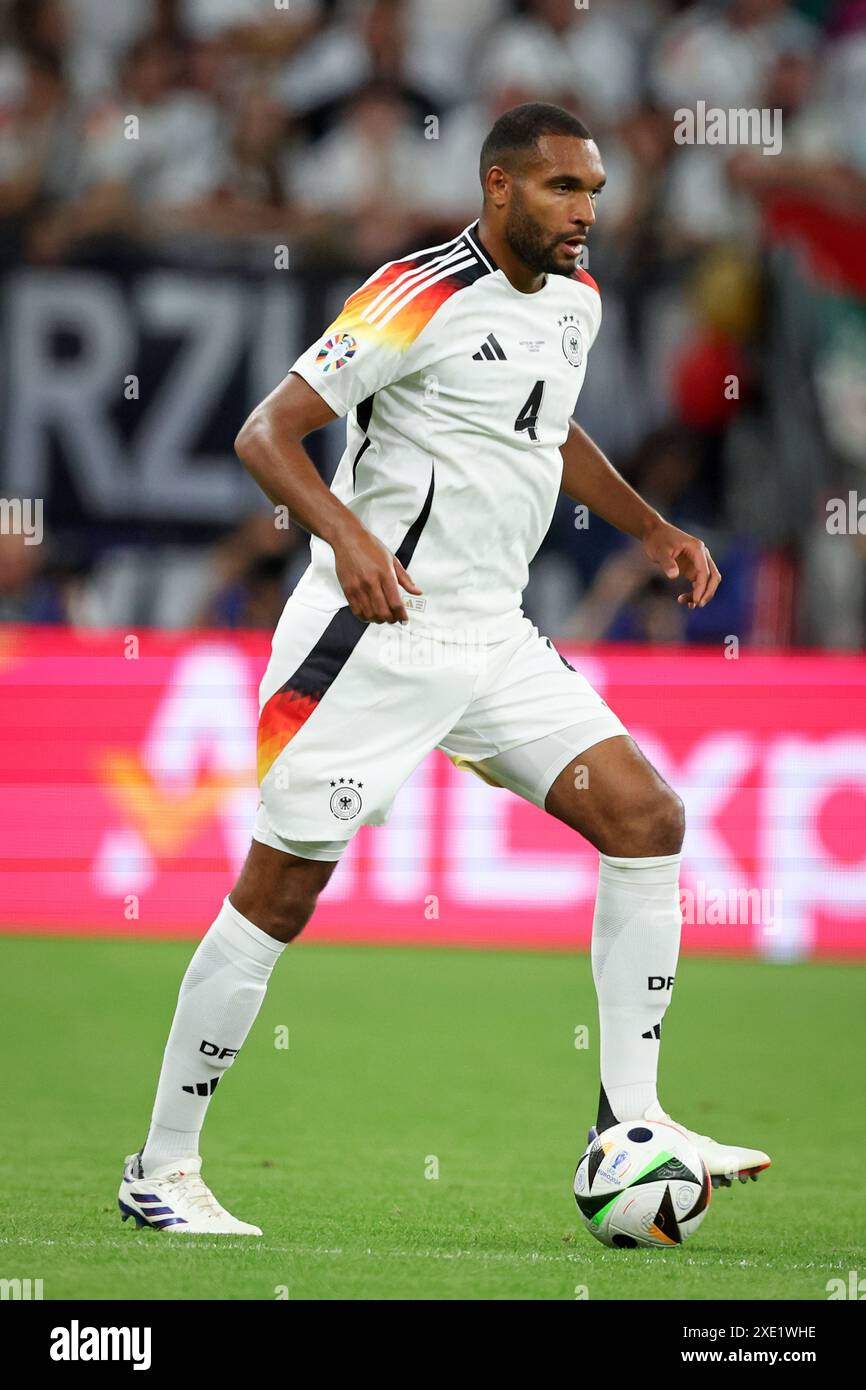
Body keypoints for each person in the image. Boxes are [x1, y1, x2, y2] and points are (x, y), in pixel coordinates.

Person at [118, 102, 769, 1235]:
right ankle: (161, 1168)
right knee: (279, 892)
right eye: (565, 189)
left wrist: (649, 528)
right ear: (500, 188)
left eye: (596, 192)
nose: (586, 212)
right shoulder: (411, 292)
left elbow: (546, 428)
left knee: (646, 816)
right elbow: (266, 434)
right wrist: (347, 536)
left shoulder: (576, 303)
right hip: (370, 638)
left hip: (492, 634)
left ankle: (633, 1118)